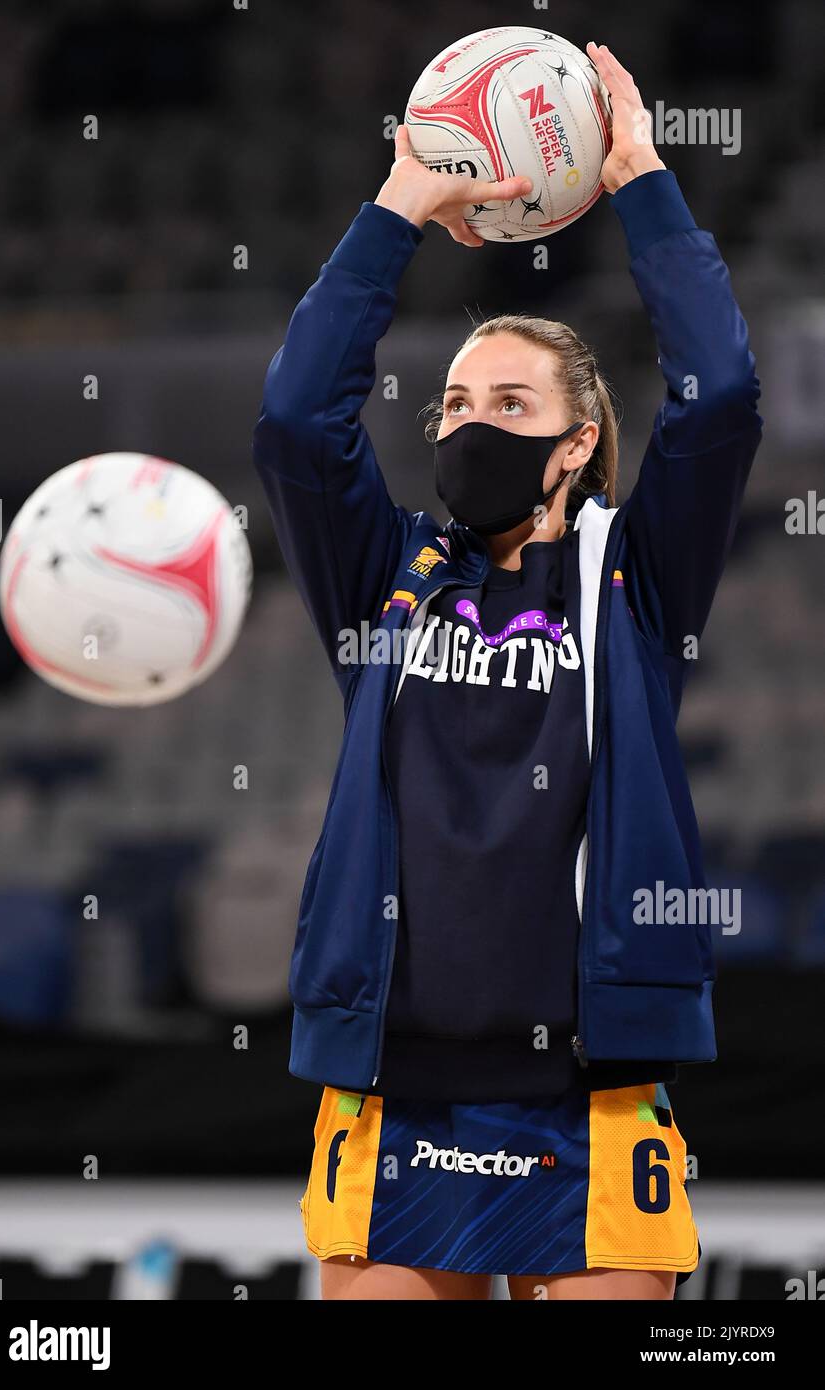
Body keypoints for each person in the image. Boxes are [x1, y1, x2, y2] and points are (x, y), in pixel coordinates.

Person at [252, 42, 762, 1300]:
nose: (470, 423)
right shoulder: (385, 570)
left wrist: (640, 178)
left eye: (509, 405)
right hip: (393, 1079)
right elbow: (295, 423)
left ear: (580, 441)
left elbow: (720, 402)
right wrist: (396, 210)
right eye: (455, 403)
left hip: (584, 1094)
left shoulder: (633, 579)